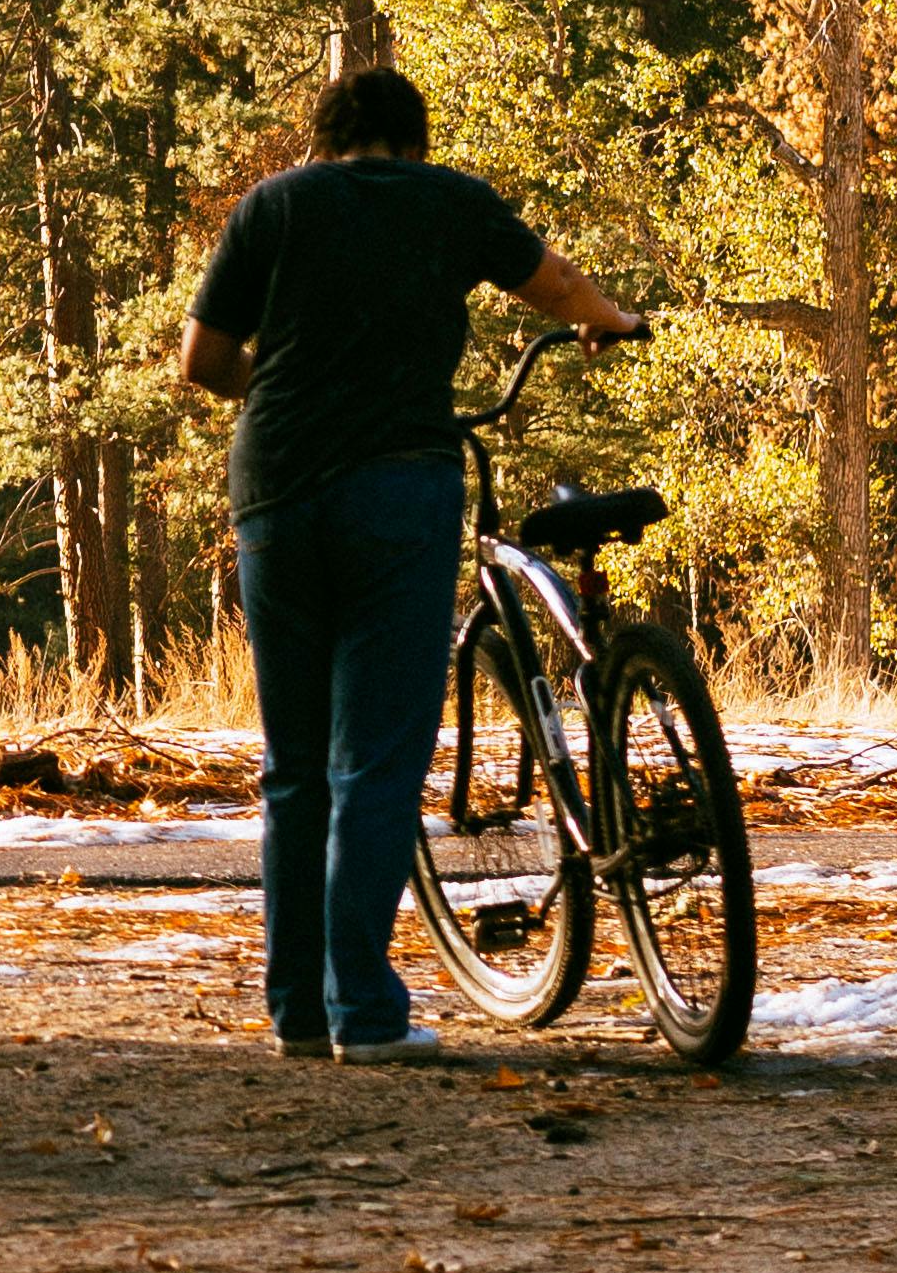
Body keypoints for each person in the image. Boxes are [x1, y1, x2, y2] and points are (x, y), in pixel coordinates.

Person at [175, 64, 631, 1066]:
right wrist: (610, 318)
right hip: (397, 487)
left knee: (295, 767)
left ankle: (299, 1007)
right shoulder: (450, 200)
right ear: (412, 140)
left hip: (278, 493)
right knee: (376, 758)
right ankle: (367, 1012)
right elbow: (554, 283)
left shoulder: (272, 206)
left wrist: (285, 383)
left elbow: (202, 360)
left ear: (326, 137)